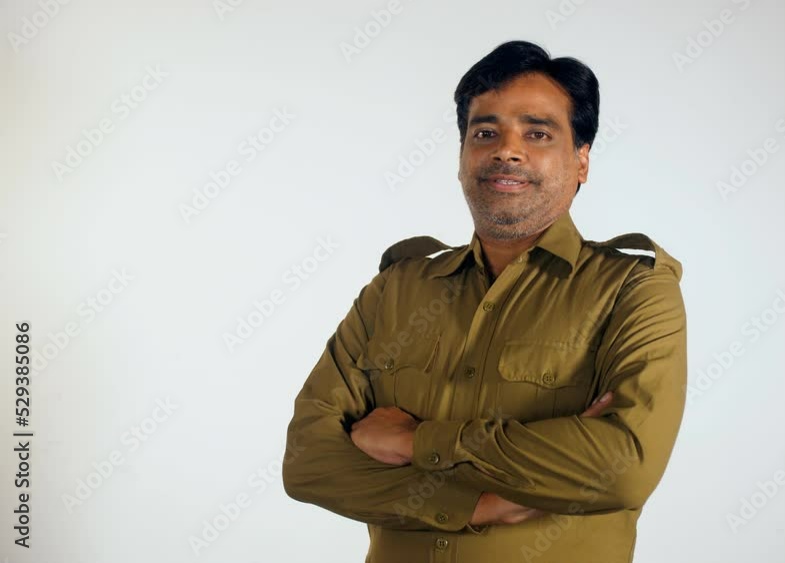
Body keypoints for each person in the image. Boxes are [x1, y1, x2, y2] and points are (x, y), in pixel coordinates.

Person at [282, 39, 687, 563]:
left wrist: (414, 442)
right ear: (461, 157)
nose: (506, 149)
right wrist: (475, 504)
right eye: (485, 132)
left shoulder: (631, 289)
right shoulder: (398, 288)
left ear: (581, 161)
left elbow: (623, 468)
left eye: (537, 132)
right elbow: (308, 462)